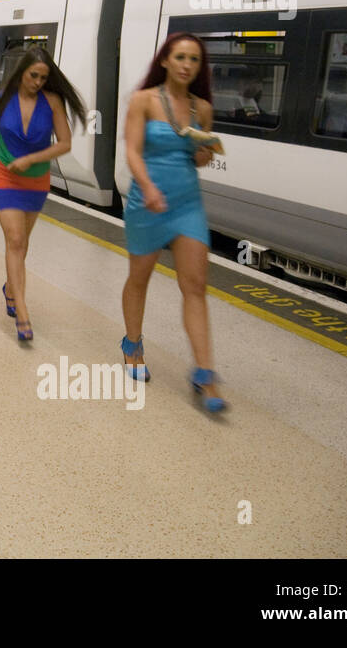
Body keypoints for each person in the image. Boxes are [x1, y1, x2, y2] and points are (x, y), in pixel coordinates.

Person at [120, 32, 226, 412]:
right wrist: (147, 186)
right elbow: (132, 150)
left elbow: (203, 156)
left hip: (187, 204)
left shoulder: (202, 108)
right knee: (139, 278)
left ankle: (205, 373)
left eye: (194, 59)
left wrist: (204, 157)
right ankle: (132, 344)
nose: (186, 65)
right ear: (165, 60)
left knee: (195, 285)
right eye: (180, 57)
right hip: (147, 202)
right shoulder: (143, 100)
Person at [0, 46, 86, 341]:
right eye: (33, 75)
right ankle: (22, 311)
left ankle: (10, 288)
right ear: (21, 71)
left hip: (36, 182)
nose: (37, 82)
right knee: (16, 239)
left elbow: (65, 144)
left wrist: (32, 159)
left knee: (23, 244)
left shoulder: (52, 102)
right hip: (4, 178)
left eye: (43, 77)